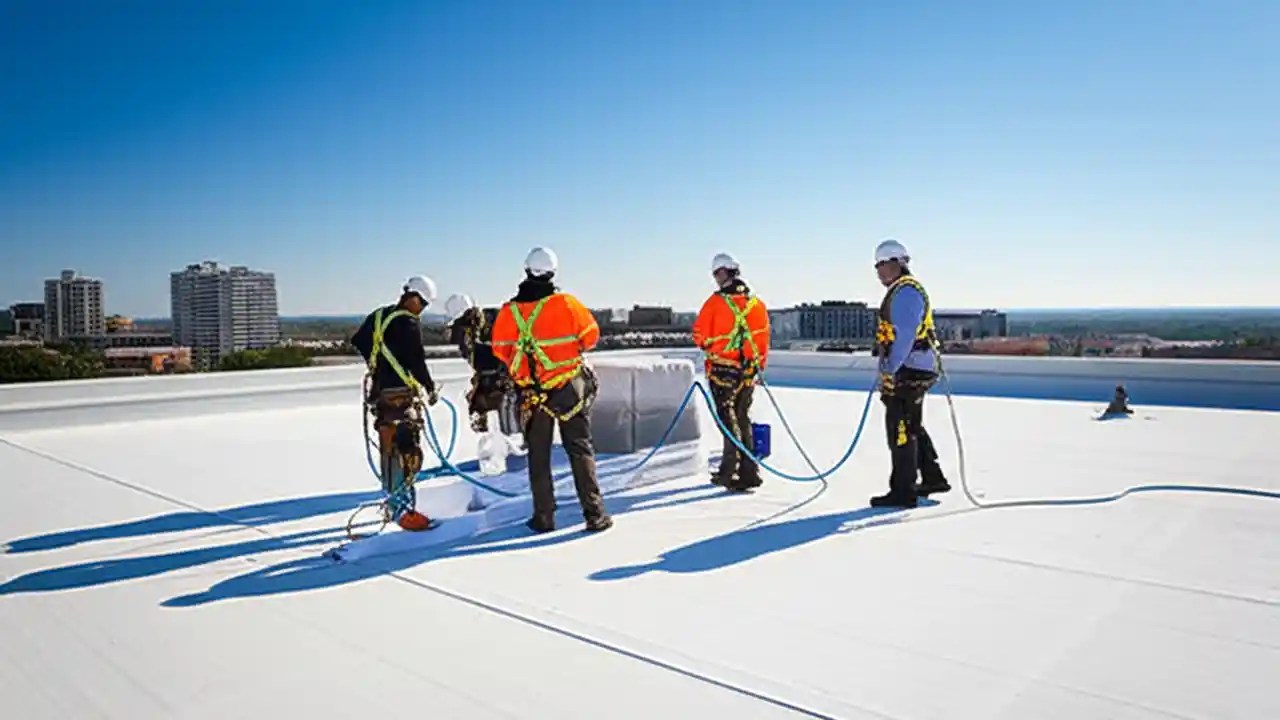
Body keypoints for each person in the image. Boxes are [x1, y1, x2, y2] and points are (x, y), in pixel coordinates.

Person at [490, 247, 612, 533]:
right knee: (579, 448)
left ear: (526, 270)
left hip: (531, 395)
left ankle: (543, 517)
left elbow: (500, 351)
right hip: (568, 388)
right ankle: (594, 514)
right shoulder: (567, 304)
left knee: (538, 456)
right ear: (553, 273)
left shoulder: (509, 312)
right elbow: (590, 337)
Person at [350, 275, 440, 531]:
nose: (421, 310)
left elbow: (359, 340)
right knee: (406, 449)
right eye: (422, 304)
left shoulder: (379, 316)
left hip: (381, 392)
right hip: (400, 394)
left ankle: (394, 504)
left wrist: (378, 365)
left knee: (388, 447)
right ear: (413, 297)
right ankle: (403, 510)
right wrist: (429, 387)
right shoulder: (407, 323)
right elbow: (416, 361)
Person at [872, 240, 951, 508]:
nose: (879, 271)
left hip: (910, 368)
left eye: (883, 264)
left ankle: (903, 490)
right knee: (911, 423)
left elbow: (905, 336)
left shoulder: (905, 292)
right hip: (917, 366)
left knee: (900, 427)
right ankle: (932, 476)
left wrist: (889, 369)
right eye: (877, 266)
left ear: (898, 264)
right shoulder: (904, 290)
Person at [692, 252, 770, 491]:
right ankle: (749, 471)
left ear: (725, 273)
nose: (716, 278)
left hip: (722, 369)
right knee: (742, 417)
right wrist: (757, 367)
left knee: (727, 420)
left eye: (717, 273)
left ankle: (729, 469)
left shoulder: (715, 303)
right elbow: (763, 340)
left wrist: (712, 346)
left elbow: (699, 335)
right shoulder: (756, 305)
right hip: (748, 372)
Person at [444, 293, 522, 442]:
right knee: (477, 410)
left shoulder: (495, 320)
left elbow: (511, 348)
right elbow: (465, 354)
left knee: (507, 408)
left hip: (504, 375)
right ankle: (484, 441)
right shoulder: (460, 331)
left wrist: (507, 374)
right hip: (481, 378)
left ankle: (514, 441)